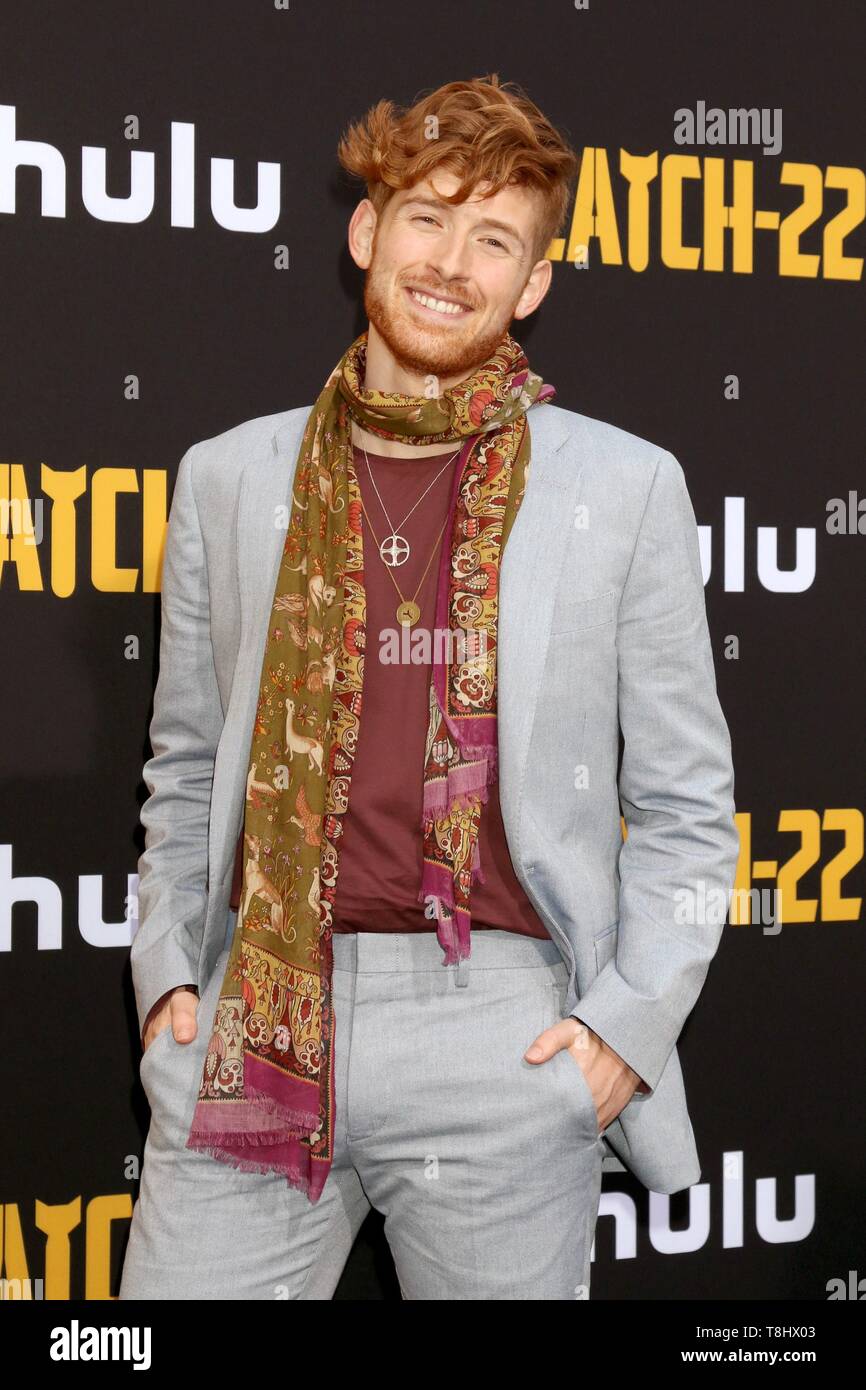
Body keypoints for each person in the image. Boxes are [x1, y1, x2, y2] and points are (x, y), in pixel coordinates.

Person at [119, 74, 738, 1301]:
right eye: (426, 217)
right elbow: (186, 766)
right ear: (365, 233)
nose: (452, 262)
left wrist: (620, 1032)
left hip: (497, 1025)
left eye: (494, 238)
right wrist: (166, 980)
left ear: (533, 284)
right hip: (257, 1009)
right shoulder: (228, 478)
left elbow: (684, 802)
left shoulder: (622, 489)